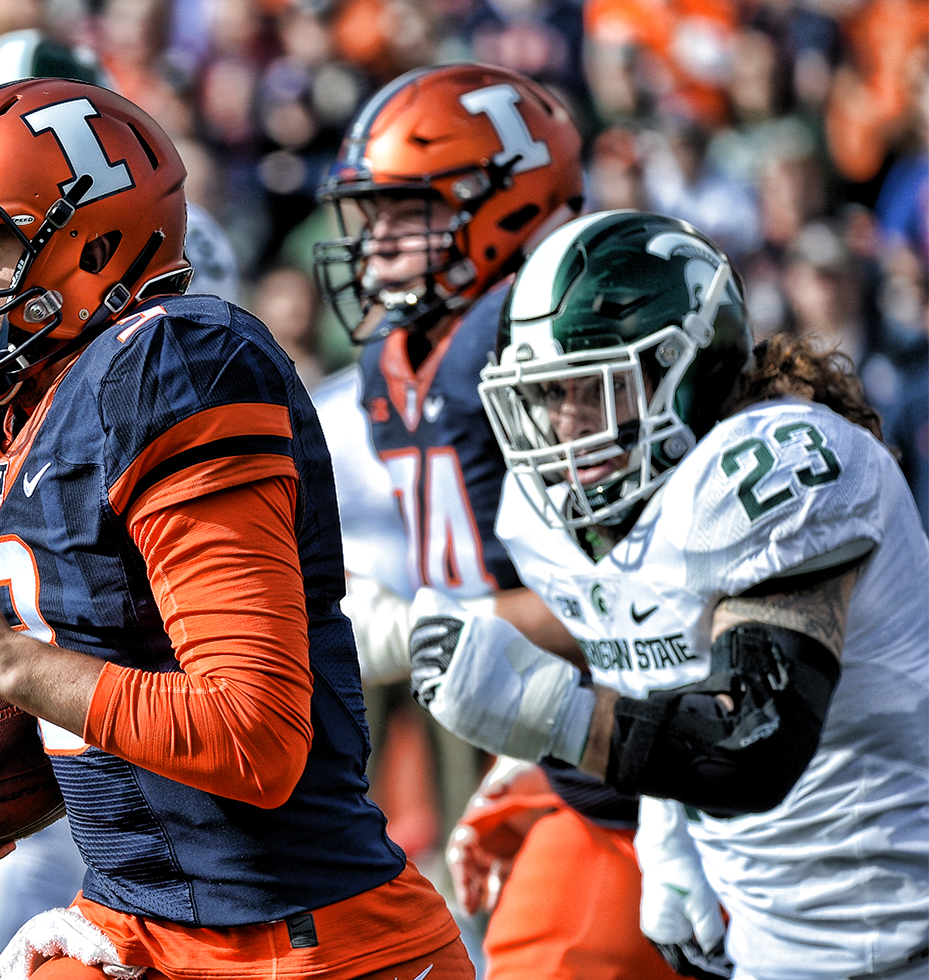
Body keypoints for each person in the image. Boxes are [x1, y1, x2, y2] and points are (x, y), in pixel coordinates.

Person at [0, 77, 470, 980]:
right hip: (135, 921)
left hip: (301, 941)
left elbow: (251, 735)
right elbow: (122, 673)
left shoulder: (176, 367)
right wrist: (0, 771)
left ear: (90, 242)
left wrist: (1, 663)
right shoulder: (5, 413)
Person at [410, 209, 929, 980]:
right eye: (549, 398)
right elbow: (659, 664)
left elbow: (750, 739)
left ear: (688, 371)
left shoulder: (776, 468)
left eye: (594, 389)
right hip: (773, 947)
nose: (567, 426)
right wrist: (667, 831)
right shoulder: (577, 516)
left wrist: (544, 714)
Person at [313, 62, 685, 979]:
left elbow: (636, 593)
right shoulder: (404, 354)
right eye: (375, 215)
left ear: (507, 201)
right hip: (564, 747)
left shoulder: (560, 346)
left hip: (672, 753)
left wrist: (422, 627)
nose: (379, 243)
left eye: (408, 211)